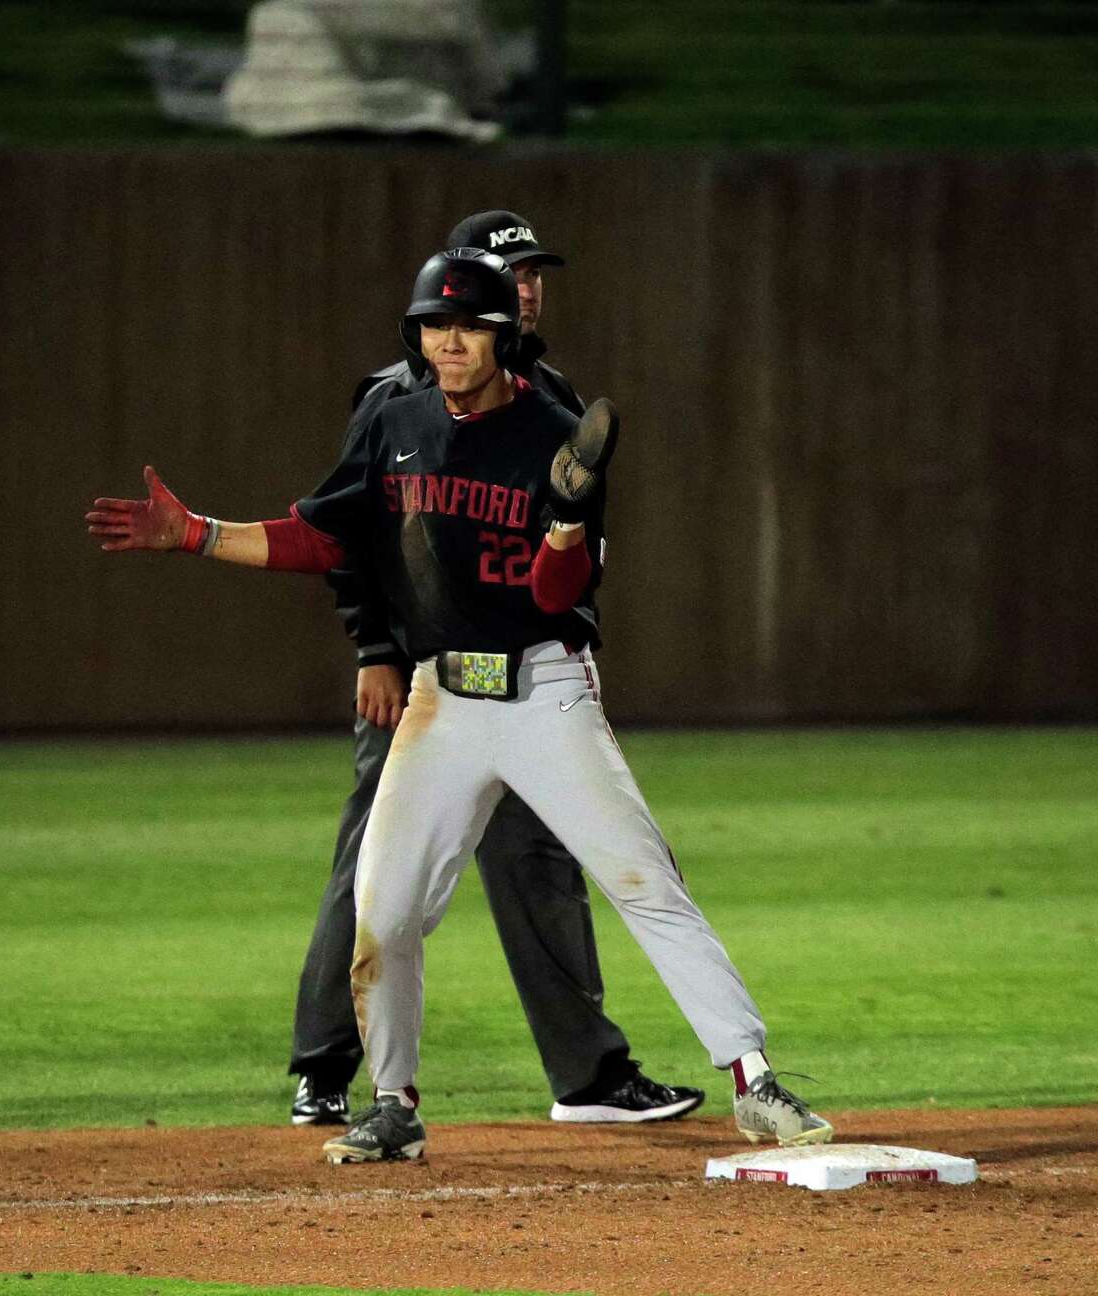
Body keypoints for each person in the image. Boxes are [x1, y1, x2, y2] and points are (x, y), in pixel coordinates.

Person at [85, 247, 835, 1164]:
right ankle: (392, 1103)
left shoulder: (555, 433)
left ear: (503, 338)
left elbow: (558, 594)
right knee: (385, 908)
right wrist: (197, 534)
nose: (449, 343)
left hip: (544, 693)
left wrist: (568, 516)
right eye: (434, 326)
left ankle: (754, 1080)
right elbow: (323, 539)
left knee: (642, 879)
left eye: (469, 327)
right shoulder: (393, 420)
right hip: (440, 700)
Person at [291, 209, 704, 1130]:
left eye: (532, 274)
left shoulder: (548, 395)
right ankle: (324, 1068)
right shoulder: (397, 394)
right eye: (505, 274)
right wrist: (373, 647)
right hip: (419, 678)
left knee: (541, 863)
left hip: (521, 678)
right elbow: (346, 532)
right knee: (376, 870)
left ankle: (588, 1075)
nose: (525, 288)